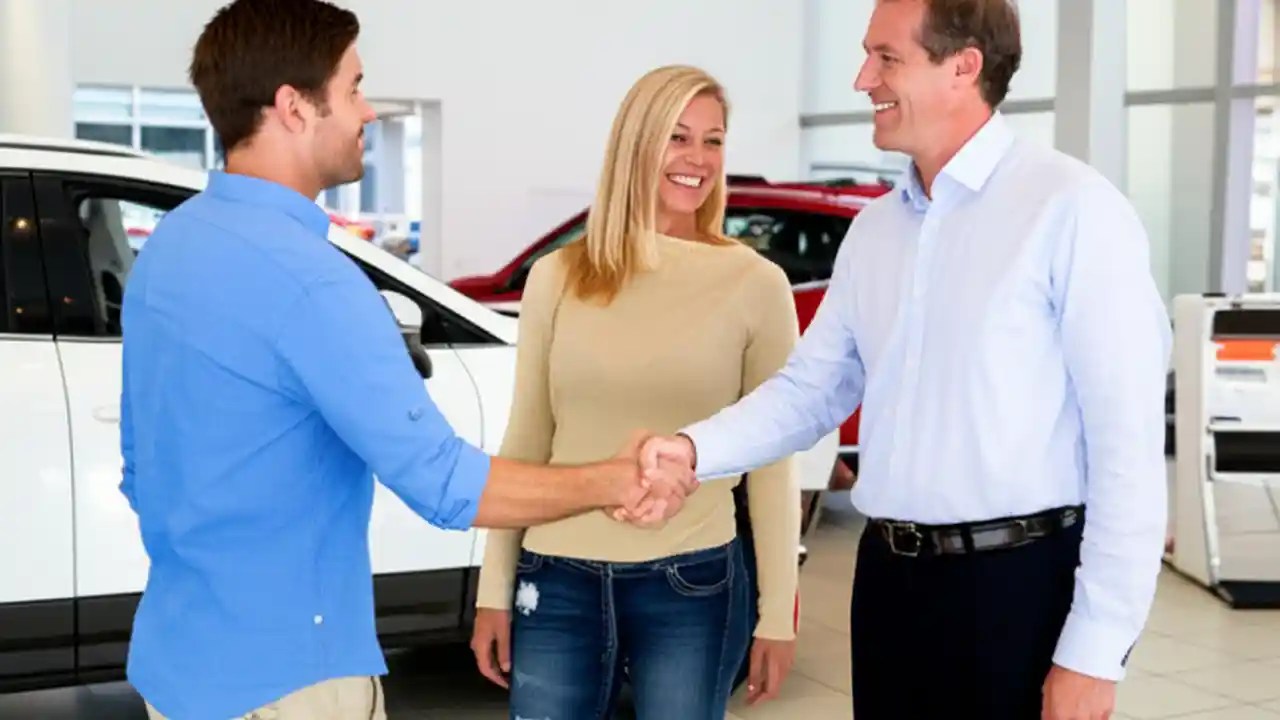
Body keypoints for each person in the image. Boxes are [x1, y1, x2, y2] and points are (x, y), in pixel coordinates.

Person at [119, 2, 692, 719]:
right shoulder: (312, 281)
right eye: (354, 87)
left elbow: (140, 468)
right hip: (290, 682)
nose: (369, 110)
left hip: (178, 666)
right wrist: (613, 480)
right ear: (295, 107)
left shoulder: (167, 249)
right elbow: (446, 485)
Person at [637, 1, 1172, 718]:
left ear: (964, 66)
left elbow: (1128, 450)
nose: (863, 79)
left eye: (886, 57)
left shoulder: (1071, 209)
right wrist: (690, 450)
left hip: (1019, 588)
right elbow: (811, 391)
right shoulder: (876, 230)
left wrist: (1095, 650)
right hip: (889, 582)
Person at [468, 65, 802, 719]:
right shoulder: (558, 275)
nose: (697, 159)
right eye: (677, 137)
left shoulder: (755, 284)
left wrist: (778, 616)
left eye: (713, 140)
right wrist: (493, 588)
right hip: (555, 575)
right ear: (635, 145)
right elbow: (527, 440)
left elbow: (772, 462)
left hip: (692, 581)